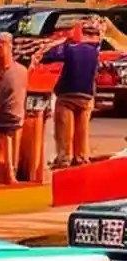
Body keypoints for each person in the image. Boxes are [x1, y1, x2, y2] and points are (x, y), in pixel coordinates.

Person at [40, 20, 100, 166]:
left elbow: (47, 56)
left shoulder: (69, 48)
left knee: (64, 131)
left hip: (67, 95)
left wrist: (61, 41)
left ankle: (64, 158)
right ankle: (81, 157)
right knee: (82, 131)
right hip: (87, 95)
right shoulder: (94, 51)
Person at [0, 33, 27, 183]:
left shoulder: (7, 74)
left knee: (1, 134)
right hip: (17, 114)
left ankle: (7, 173)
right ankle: (5, 172)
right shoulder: (18, 70)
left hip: (7, 116)